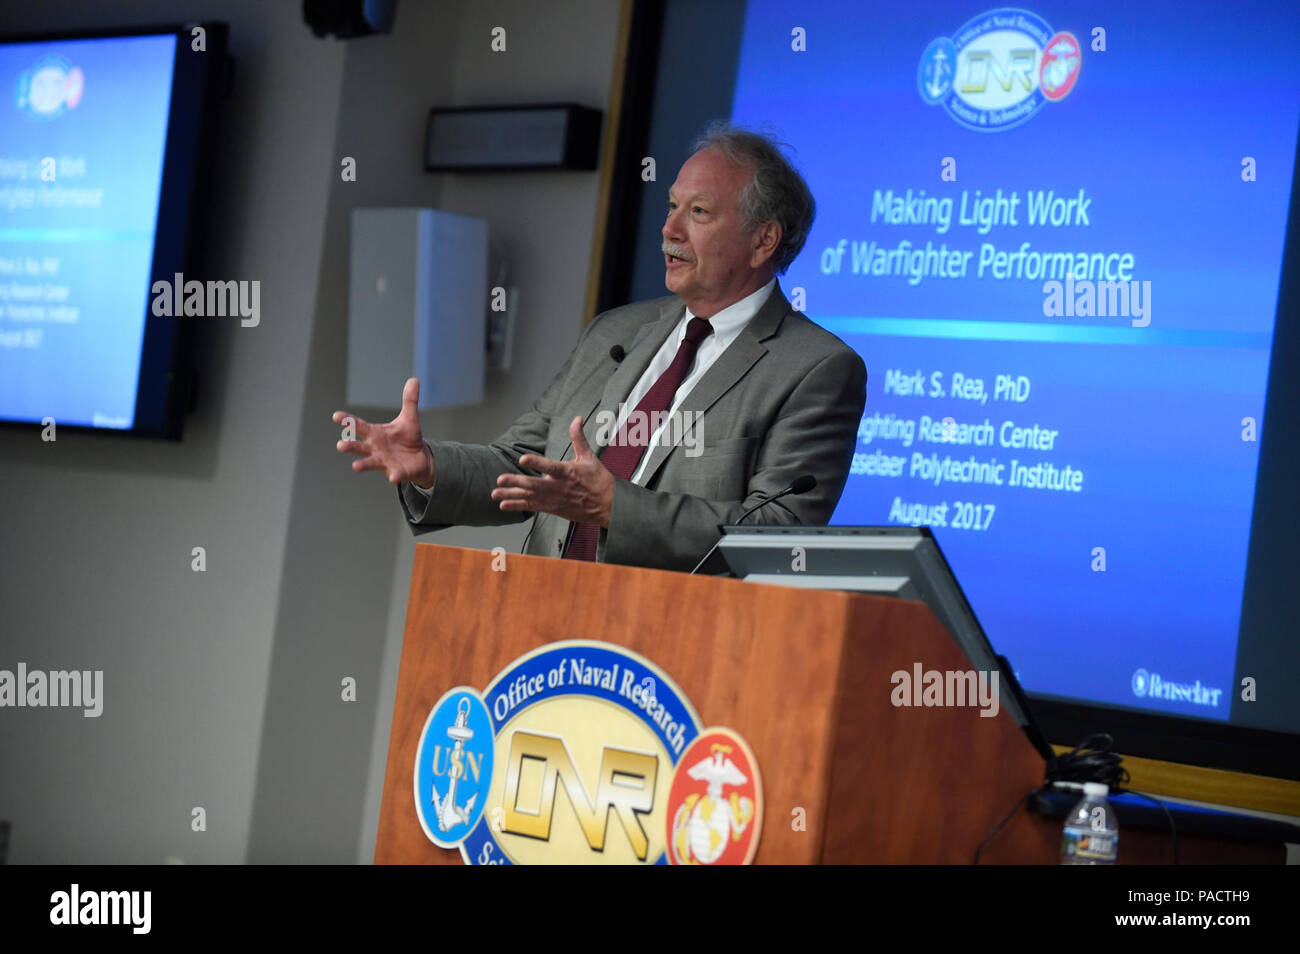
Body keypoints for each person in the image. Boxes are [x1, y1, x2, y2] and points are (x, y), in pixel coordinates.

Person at [333, 123, 866, 572]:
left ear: (764, 240)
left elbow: (776, 537)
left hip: (676, 661)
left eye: (699, 213)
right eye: (672, 206)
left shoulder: (816, 368)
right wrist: (428, 464)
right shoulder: (616, 332)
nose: (669, 229)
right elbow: (522, 464)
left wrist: (617, 508)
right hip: (548, 634)